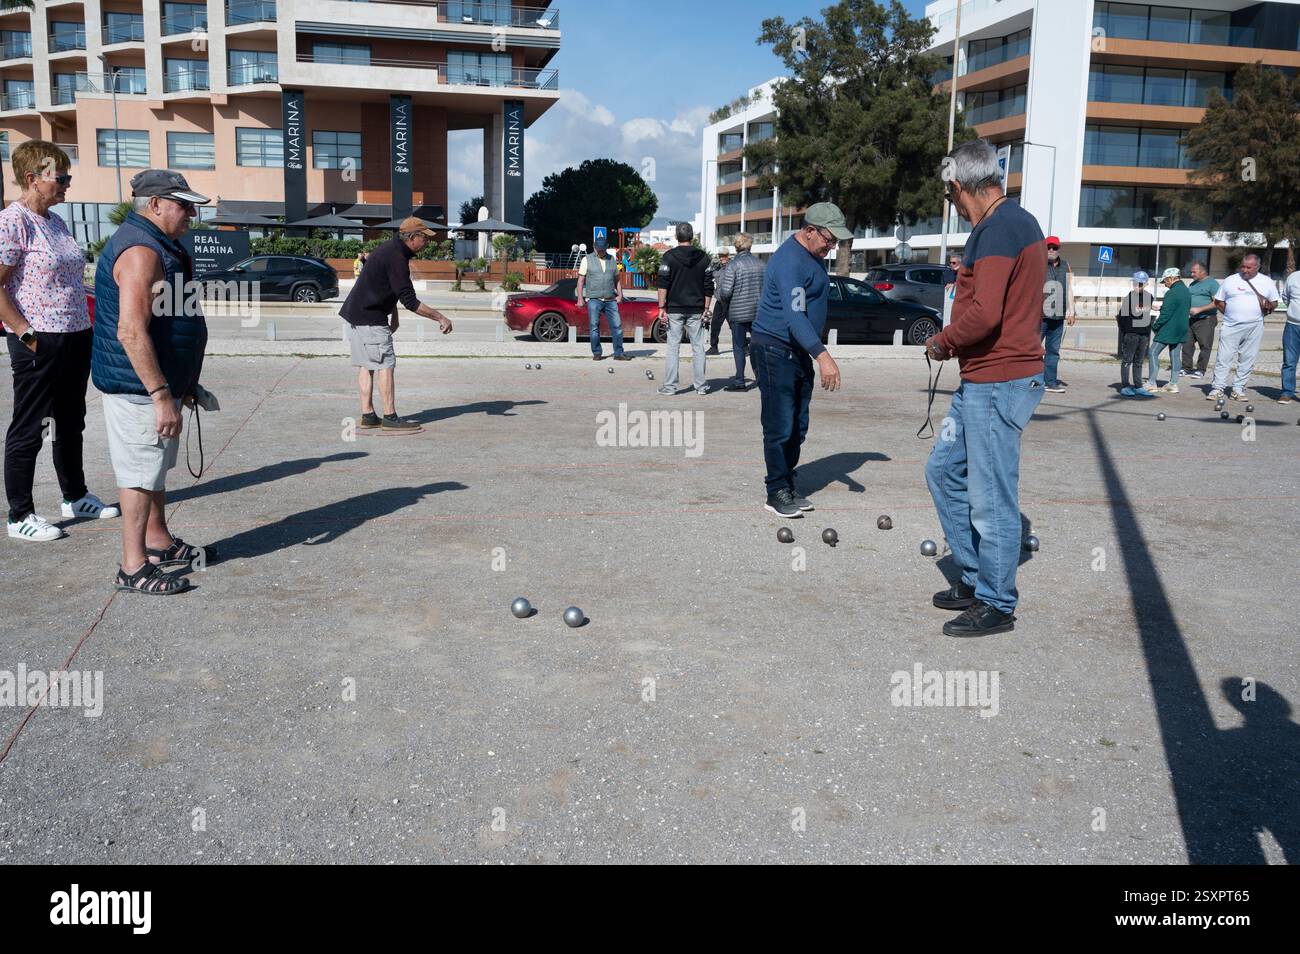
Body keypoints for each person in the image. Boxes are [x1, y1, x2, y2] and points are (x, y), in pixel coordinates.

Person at [923, 139, 1045, 638]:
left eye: (950, 196)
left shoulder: (997, 229)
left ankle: (997, 601)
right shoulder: (1013, 223)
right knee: (943, 470)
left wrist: (943, 341)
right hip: (982, 379)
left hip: (1000, 379)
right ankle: (975, 577)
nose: (952, 204)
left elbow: (986, 311)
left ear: (958, 186)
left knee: (990, 493)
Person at [91, 170, 214, 594]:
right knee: (140, 474)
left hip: (160, 385)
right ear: (155, 204)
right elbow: (130, 330)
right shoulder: (141, 251)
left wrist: (185, 382)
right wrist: (161, 394)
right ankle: (133, 565)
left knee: (155, 467)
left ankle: (158, 542)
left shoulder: (161, 245)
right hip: (140, 389)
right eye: (184, 205)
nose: (192, 214)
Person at [1, 141, 120, 542]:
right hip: (38, 338)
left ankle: (75, 496)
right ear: (33, 178)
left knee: (71, 421)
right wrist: (23, 330)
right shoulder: (11, 221)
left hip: (74, 334)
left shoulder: (55, 221)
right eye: (62, 177)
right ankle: (20, 515)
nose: (68, 184)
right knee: (30, 426)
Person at [749, 203, 847, 518]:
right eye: (829, 239)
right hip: (774, 349)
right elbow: (793, 316)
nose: (832, 246)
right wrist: (823, 355)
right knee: (779, 425)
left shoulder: (813, 256)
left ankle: (788, 482)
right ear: (809, 231)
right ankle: (776, 490)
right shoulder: (790, 260)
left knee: (798, 426)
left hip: (796, 351)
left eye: (836, 242)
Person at [339, 217, 453, 428]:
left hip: (356, 314)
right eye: (424, 237)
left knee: (366, 365)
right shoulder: (397, 257)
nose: (427, 242)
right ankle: (390, 417)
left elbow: (388, 287)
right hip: (371, 318)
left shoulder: (390, 250)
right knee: (385, 364)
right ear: (412, 238)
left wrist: (395, 316)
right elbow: (409, 300)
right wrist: (440, 317)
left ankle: (368, 415)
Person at [1207, 253, 1277, 402]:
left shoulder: (1267, 282)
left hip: (1255, 325)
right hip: (1231, 325)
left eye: (1249, 267)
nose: (1245, 270)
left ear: (1257, 267)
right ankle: (1217, 388)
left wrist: (1269, 307)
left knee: (1247, 358)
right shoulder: (1231, 280)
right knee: (1223, 357)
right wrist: (1231, 314)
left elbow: (1274, 302)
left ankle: (1238, 389)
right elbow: (1219, 301)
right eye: (1243, 266)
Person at [656, 222, 714, 395]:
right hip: (697, 308)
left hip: (675, 308)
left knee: (673, 347)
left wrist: (661, 306)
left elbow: (662, 284)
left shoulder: (668, 257)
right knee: (698, 348)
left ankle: (670, 386)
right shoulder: (704, 257)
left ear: (676, 236)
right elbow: (708, 285)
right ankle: (701, 386)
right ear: (692, 236)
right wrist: (706, 307)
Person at [715, 234, 764, 391]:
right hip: (758, 312)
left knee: (739, 346)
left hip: (738, 312)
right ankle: (761, 378)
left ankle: (740, 381)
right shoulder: (762, 265)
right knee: (757, 346)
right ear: (750, 246)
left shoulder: (733, 265)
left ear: (736, 247)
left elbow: (726, 292)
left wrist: (722, 295)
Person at [576, 232, 628, 361]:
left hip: (611, 299)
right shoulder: (586, 259)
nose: (600, 252)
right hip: (594, 299)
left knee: (617, 326)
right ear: (594, 248)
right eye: (598, 249)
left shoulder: (612, 259)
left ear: (606, 247)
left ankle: (618, 353)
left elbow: (617, 279)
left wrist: (620, 295)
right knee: (594, 327)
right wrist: (580, 298)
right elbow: (581, 280)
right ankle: (597, 353)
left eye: (602, 249)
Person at [1041, 235, 1076, 393]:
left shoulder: (1066, 265)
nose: (1051, 250)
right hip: (1039, 316)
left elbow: (1069, 289)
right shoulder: (1037, 264)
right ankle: (1029, 380)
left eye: (1054, 247)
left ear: (1058, 249)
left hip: (1058, 316)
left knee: (1053, 351)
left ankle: (1050, 382)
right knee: (1033, 349)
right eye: (1048, 247)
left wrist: (1072, 311)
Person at [1148, 267, 1190, 393]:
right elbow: (1177, 310)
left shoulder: (1171, 293)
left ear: (1172, 278)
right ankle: (1173, 384)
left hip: (1168, 329)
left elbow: (1166, 315)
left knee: (1153, 352)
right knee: (1175, 355)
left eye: (1165, 281)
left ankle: (1151, 383)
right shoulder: (1186, 291)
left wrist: (1155, 326)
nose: (1165, 284)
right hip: (1181, 328)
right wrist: (1161, 309)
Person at [1117, 271, 1154, 397]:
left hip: (1144, 334)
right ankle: (1125, 386)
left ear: (1146, 284)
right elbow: (1122, 317)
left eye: (1141, 284)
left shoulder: (1150, 297)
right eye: (1135, 284)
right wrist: (1126, 332)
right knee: (1127, 360)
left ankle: (1138, 386)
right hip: (1131, 334)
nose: (1137, 286)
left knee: (1139, 361)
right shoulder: (1129, 297)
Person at [1180, 260, 1218, 379]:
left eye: (1194, 272)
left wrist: (1200, 309)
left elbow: (1217, 302)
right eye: (1191, 272)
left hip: (1206, 319)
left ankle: (1201, 370)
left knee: (1205, 345)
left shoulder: (1212, 283)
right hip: (1191, 319)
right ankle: (1186, 368)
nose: (1191, 274)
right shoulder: (1193, 284)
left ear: (1202, 272)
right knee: (1187, 344)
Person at [1280, 265, 1300, 404]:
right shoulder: (1293, 277)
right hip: (1292, 326)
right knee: (1289, 361)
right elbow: (1286, 297)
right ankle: (1287, 392)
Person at [706, 249, 731, 355]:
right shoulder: (716, 268)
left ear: (728, 256)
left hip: (731, 302)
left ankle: (744, 347)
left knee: (735, 327)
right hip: (720, 302)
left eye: (724, 256)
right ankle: (714, 347)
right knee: (715, 325)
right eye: (721, 256)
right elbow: (707, 276)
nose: (722, 258)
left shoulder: (733, 267)